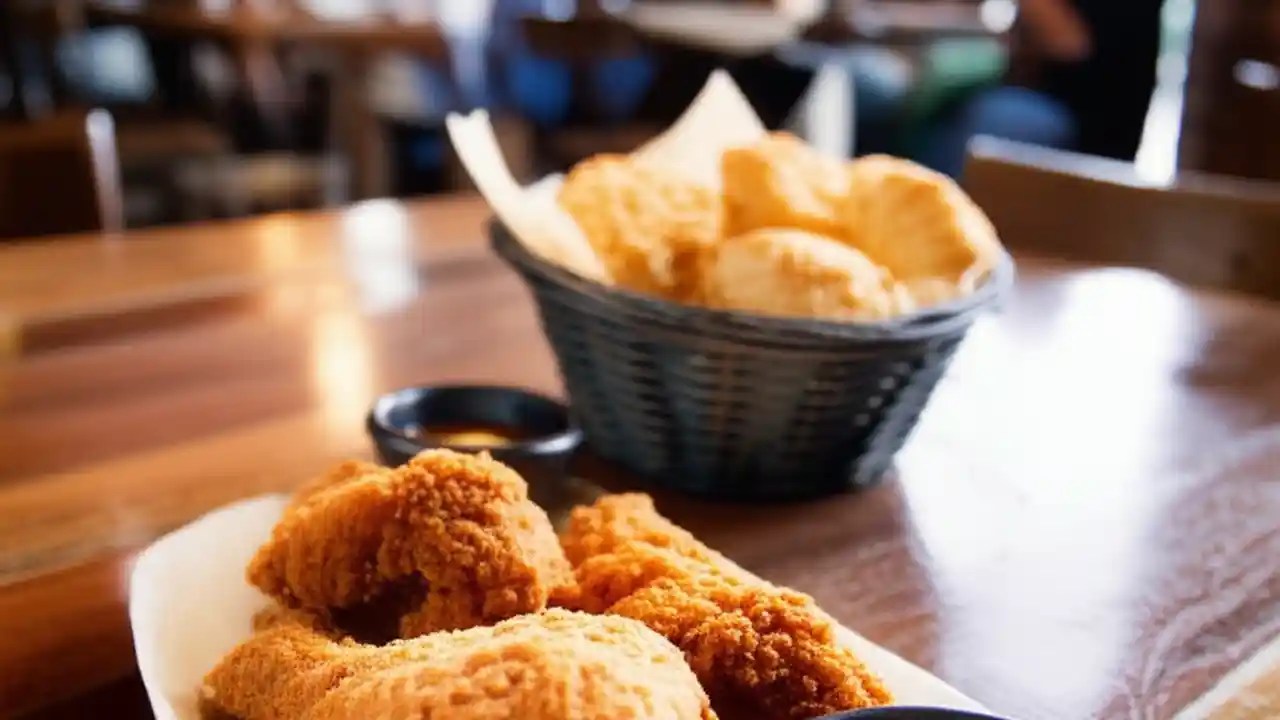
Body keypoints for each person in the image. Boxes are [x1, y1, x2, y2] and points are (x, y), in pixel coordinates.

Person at [917, 0, 1166, 177]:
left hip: (1086, 124)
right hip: (1022, 94)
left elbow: (1068, 44)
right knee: (883, 101)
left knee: (994, 122)